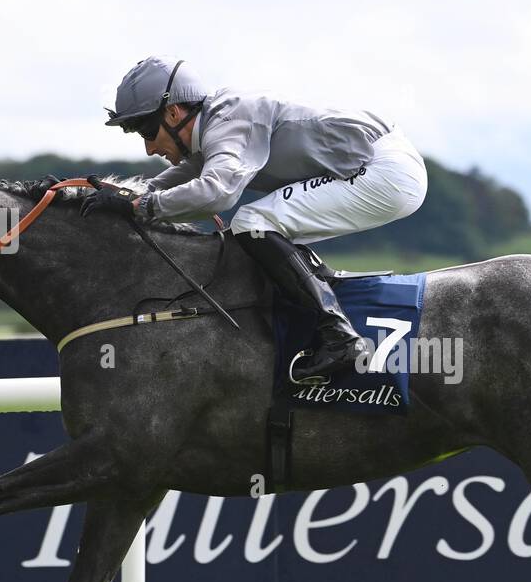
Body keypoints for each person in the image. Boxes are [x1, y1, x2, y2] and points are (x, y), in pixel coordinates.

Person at [73, 56, 429, 384]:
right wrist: (106, 197)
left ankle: (337, 335)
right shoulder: (214, 126)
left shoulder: (228, 121)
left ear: (174, 112)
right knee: (259, 222)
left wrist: (139, 208)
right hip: (379, 165)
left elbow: (217, 193)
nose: (150, 149)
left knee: (252, 221)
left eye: (148, 133)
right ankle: (317, 304)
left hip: (383, 169)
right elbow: (166, 183)